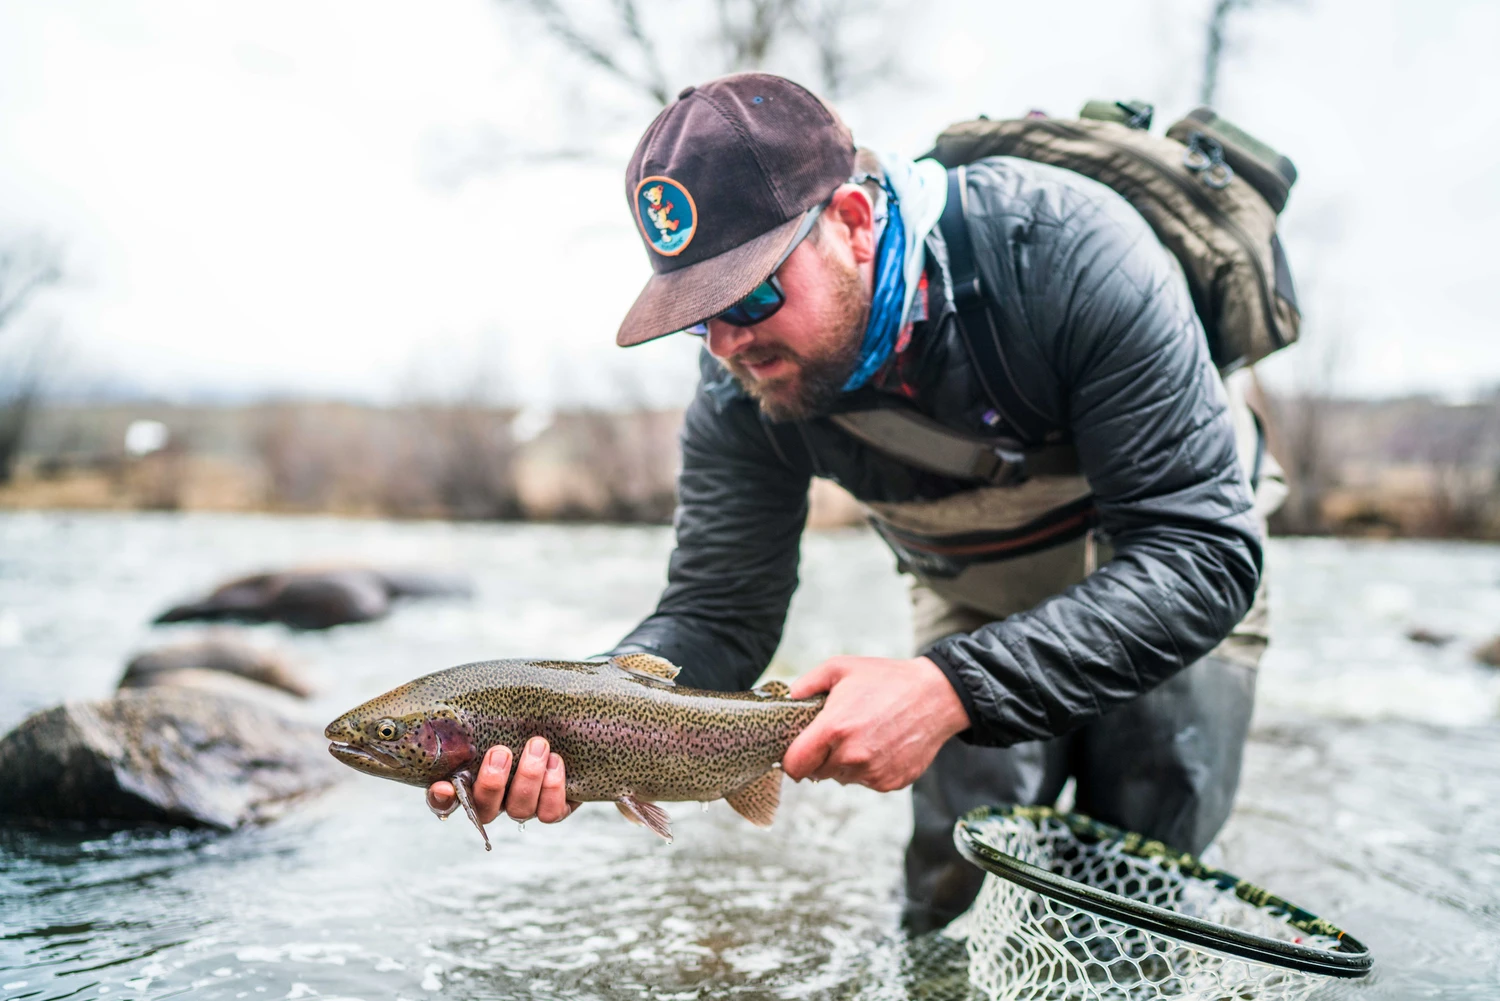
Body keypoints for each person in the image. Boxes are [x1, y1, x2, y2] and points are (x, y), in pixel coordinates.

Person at [427, 72, 1278, 932]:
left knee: (1135, 890)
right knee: (956, 896)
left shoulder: (1070, 253)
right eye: (697, 315)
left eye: (752, 293)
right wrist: (584, 726)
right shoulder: (740, 385)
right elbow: (720, 615)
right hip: (971, 584)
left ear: (854, 223)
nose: (729, 343)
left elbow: (1202, 555)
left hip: (1165, 565)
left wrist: (951, 688)